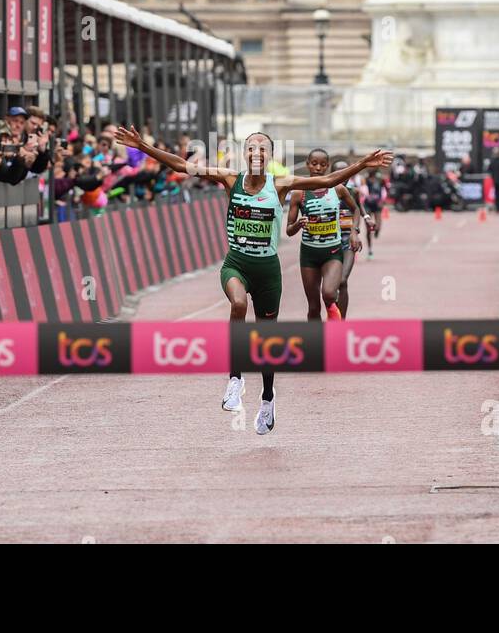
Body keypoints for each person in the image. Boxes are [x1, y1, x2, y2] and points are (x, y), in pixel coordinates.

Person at [115, 125, 391, 436]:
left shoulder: (282, 183)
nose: (256, 152)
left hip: (267, 272)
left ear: (270, 156)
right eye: (251, 148)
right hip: (237, 264)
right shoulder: (229, 178)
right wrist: (142, 147)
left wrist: (361, 164)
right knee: (237, 303)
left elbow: (328, 180)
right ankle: (235, 379)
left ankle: (268, 398)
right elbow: (181, 165)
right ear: (245, 155)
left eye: (262, 149)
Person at [285, 150, 353, 322]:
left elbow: (356, 208)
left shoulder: (337, 189)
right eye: (314, 163)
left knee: (329, 294)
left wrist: (354, 231)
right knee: (314, 307)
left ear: (327, 166)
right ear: (307, 164)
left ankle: (334, 316)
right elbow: (289, 230)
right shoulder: (298, 193)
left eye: (323, 164)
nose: (318, 167)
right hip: (309, 253)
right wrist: (298, 224)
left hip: (332, 250)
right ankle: (316, 343)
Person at [331, 160, 365, 318]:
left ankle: (341, 322)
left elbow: (358, 209)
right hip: (329, 240)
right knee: (330, 286)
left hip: (347, 240)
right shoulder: (324, 191)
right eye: (339, 171)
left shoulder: (353, 192)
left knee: (342, 281)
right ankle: (333, 313)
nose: (343, 176)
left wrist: (366, 219)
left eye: (346, 172)